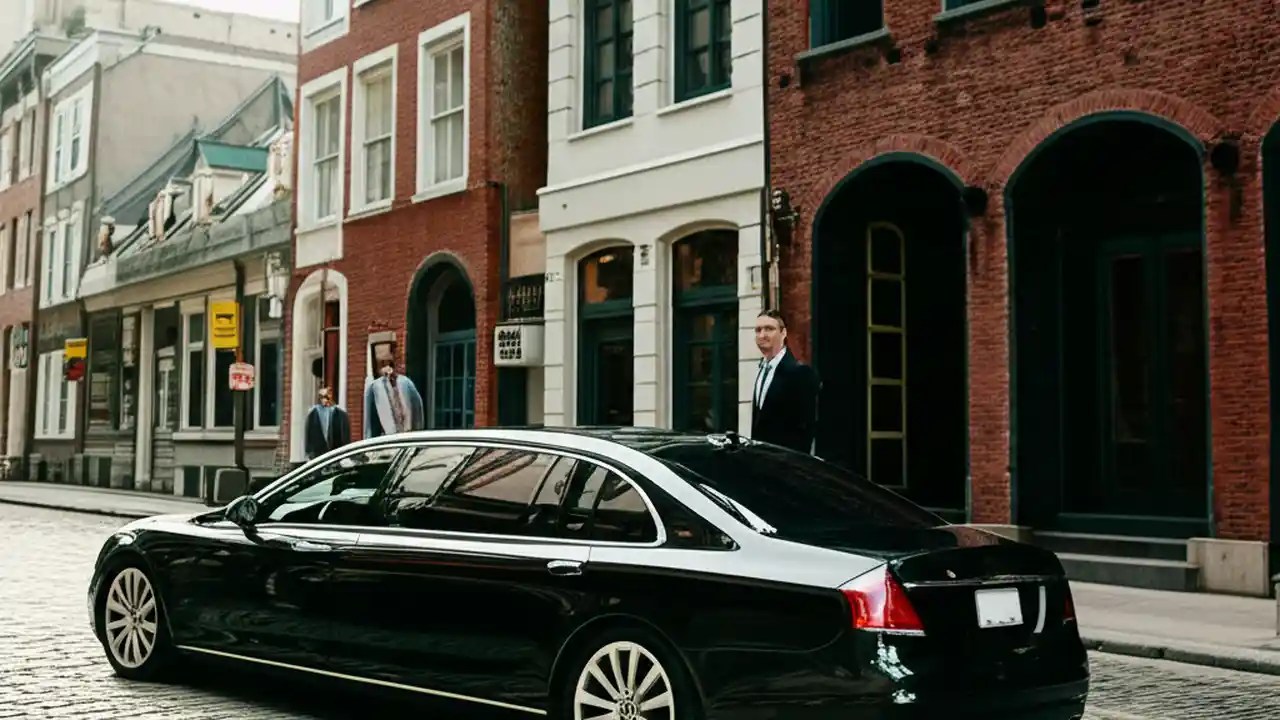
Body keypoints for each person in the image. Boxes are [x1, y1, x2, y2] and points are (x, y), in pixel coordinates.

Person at [749, 309, 820, 454]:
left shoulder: (801, 373)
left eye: (769, 329)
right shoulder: (761, 369)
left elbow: (806, 430)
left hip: (786, 466)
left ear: (783, 333)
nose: (762, 335)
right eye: (758, 330)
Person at [363, 341, 425, 438]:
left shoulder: (406, 383)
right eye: (383, 363)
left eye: (389, 363)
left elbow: (417, 409)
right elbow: (369, 423)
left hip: (407, 437)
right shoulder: (375, 387)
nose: (387, 367)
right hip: (386, 441)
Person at [304, 386, 351, 460]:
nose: (325, 400)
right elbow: (308, 434)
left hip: (336, 455)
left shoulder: (341, 414)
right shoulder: (313, 414)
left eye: (326, 396)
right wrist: (309, 452)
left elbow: (345, 436)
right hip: (318, 456)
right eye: (322, 397)